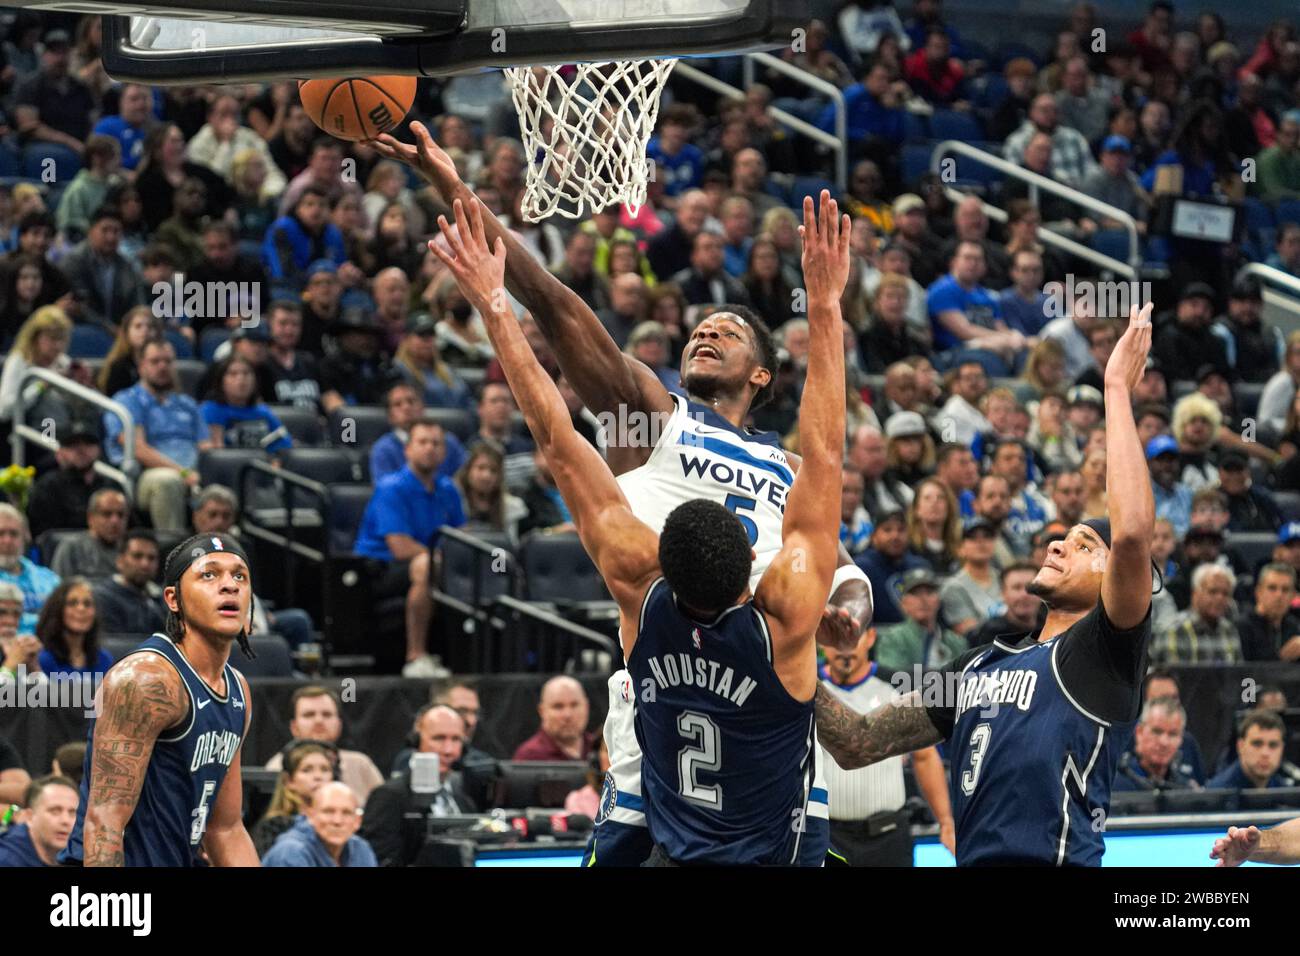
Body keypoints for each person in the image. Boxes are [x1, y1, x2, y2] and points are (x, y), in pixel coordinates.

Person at [427, 189, 851, 866]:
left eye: (729, 331)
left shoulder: (638, 579)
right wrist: (826, 303)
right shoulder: (659, 414)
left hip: (661, 673)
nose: (706, 332)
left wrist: (490, 300)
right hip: (763, 714)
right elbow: (831, 459)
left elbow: (555, 436)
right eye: (700, 327)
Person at [816, 300, 1157, 866]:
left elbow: (1132, 536)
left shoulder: (1104, 654)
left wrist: (1115, 388)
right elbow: (857, 743)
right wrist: (782, 653)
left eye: (1082, 545)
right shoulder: (976, 666)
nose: (1057, 544)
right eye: (1059, 537)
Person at [59, 532, 259, 866]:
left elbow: (225, 829)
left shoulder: (238, 690)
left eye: (239, 575)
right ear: (173, 599)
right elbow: (104, 822)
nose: (229, 585)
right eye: (209, 574)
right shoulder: (145, 681)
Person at [819, 627, 955, 866]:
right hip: (827, 836)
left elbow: (924, 757)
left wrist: (945, 821)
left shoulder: (896, 685)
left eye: (853, 636)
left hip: (888, 837)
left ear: (870, 637)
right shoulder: (807, 689)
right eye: (835, 638)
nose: (844, 647)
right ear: (820, 642)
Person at [353, 416, 465, 677]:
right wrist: (439, 559)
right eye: (423, 442)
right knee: (426, 565)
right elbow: (401, 547)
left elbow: (460, 536)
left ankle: (463, 658)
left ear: (444, 452)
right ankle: (416, 656)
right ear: (408, 449)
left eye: (436, 443)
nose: (430, 448)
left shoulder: (448, 489)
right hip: (379, 569)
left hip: (431, 562)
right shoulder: (391, 488)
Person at [104, 339, 212, 530]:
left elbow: (205, 446)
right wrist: (182, 472)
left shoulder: (186, 404)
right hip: (147, 476)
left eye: (168, 361)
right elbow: (138, 449)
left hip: (193, 474)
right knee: (167, 481)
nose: (163, 367)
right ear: (141, 366)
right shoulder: (128, 400)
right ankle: (174, 550)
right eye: (155, 362)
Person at [361, 704, 479, 866]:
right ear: (416, 741)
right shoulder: (389, 797)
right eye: (439, 738)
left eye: (456, 739)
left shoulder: (463, 797)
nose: (448, 750)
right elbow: (379, 861)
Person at [262, 686, 384, 803]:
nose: (319, 721)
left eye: (327, 714)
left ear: (339, 724)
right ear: (294, 727)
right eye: (309, 715)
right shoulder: (278, 766)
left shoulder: (361, 765)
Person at [250, 739, 334, 858]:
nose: (318, 776)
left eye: (325, 769)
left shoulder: (341, 822)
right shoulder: (273, 828)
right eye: (307, 770)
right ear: (289, 781)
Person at [261, 781, 376, 867]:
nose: (337, 821)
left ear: (357, 821)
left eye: (346, 813)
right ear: (310, 815)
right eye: (328, 811)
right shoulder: (290, 851)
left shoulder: (361, 848)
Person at [875, 568, 966, 671]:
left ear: (938, 601)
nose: (923, 599)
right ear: (903, 604)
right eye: (915, 593)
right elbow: (891, 679)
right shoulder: (893, 639)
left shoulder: (956, 641)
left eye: (929, 592)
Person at [1151, 563, 1243, 664]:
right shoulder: (1174, 630)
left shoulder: (1229, 631)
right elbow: (1172, 677)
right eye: (1213, 591)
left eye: (1226, 593)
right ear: (1195, 594)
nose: (1220, 599)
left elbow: (1237, 676)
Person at [1111, 697, 1201, 792]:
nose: (1164, 742)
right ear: (1139, 732)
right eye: (1157, 731)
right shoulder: (1113, 784)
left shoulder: (1185, 790)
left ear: (1181, 739)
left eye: (1173, 734)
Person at [92, 529, 166, 637]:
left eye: (151, 558)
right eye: (137, 556)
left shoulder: (162, 598)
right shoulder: (102, 597)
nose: (145, 564)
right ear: (120, 561)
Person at [0, 504, 59, 635]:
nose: (7, 540)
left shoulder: (49, 579)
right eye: (1, 533)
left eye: (14, 534)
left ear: (25, 538)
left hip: (48, 647)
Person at [34, 577, 110, 678]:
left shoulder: (104, 659)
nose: (81, 608)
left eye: (87, 604)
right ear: (57, 610)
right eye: (72, 603)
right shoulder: (42, 659)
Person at [48, 488, 127, 581]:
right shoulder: (72, 547)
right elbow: (59, 589)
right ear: (90, 518)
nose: (115, 521)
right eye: (107, 514)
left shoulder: (131, 551)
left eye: (121, 515)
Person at [940, 518, 1002, 635]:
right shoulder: (953, 587)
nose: (981, 542)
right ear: (960, 548)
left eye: (987, 536)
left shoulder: (1005, 579)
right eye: (972, 537)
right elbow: (971, 634)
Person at [0, 775, 78, 867]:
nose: (65, 820)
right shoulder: (7, 860)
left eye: (72, 813)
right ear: (29, 817)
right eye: (55, 811)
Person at [512, 676, 595, 762]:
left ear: (586, 707)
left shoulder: (603, 750)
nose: (567, 715)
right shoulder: (529, 757)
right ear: (542, 711)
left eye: (574, 705)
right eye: (558, 706)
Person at [1207, 710, 1290, 790]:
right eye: (1257, 744)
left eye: (1273, 745)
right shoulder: (1217, 795)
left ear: (1282, 748)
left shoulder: (1286, 792)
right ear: (1240, 746)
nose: (1265, 753)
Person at [966, 561, 1042, 647]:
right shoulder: (992, 635)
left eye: (1030, 587)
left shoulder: (1050, 622)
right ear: (1003, 593)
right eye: (1017, 587)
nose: (1024, 594)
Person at [1238, 563, 1300, 661]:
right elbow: (1244, 673)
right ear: (1258, 592)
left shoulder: (1293, 626)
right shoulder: (1242, 627)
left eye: (1285, 590)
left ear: (1292, 596)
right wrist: (1282, 658)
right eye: (1272, 588)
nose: (1279, 595)